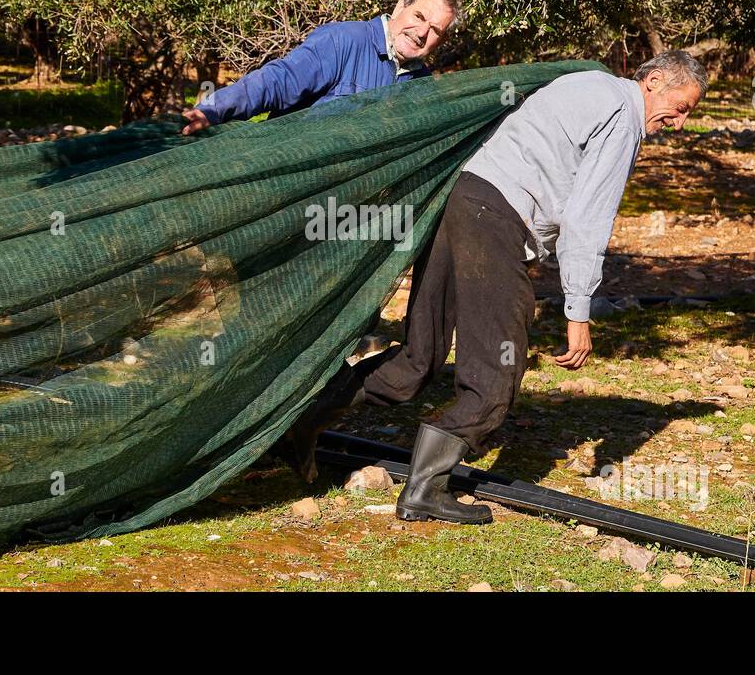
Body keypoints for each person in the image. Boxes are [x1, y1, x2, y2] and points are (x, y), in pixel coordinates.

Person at [291, 51, 709, 524]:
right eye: (683, 106)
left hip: (464, 199)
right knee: (496, 374)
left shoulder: (587, 84)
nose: (680, 122)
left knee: (418, 357)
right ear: (653, 81)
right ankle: (425, 490)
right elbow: (586, 221)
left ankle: (301, 421)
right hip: (498, 221)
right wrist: (578, 314)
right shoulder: (623, 118)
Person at [180, 0, 460, 135]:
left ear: (442, 39)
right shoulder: (344, 41)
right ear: (401, 7)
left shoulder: (421, 85)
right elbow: (279, 81)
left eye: (434, 29)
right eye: (419, 16)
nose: (421, 32)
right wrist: (214, 109)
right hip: (288, 181)